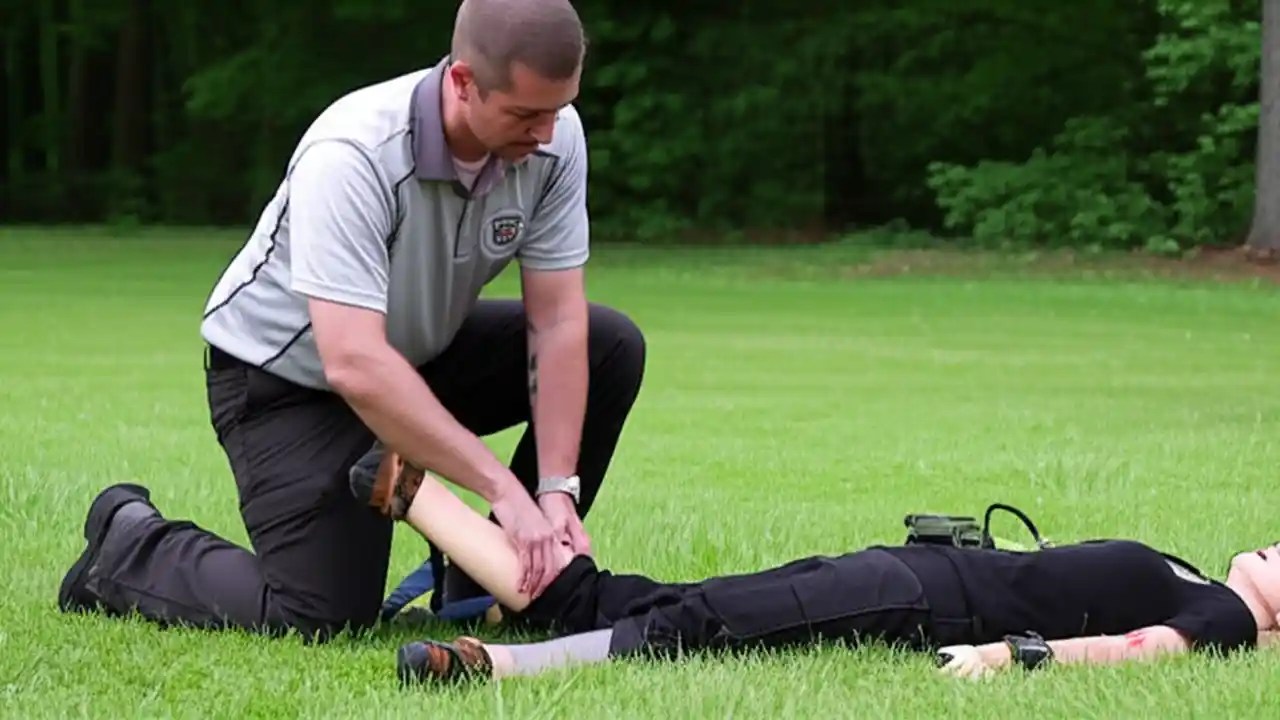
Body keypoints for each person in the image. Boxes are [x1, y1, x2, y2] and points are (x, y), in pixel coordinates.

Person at [56, 0, 647, 642]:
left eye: (559, 109)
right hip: (287, 383)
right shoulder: (354, 152)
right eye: (526, 114)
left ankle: (489, 578)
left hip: (411, 356)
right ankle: (128, 543)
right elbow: (354, 363)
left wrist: (554, 490)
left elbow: (556, 322)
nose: (547, 132)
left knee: (609, 345)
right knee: (323, 613)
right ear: (462, 82)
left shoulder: (555, 138)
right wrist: (505, 490)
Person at [350, 451, 1280, 685]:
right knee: (658, 599)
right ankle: (415, 495)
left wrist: (1015, 656)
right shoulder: (1199, 576)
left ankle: (498, 667)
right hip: (911, 571)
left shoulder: (1230, 619)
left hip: (918, 603)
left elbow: (1144, 649)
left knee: (704, 626)